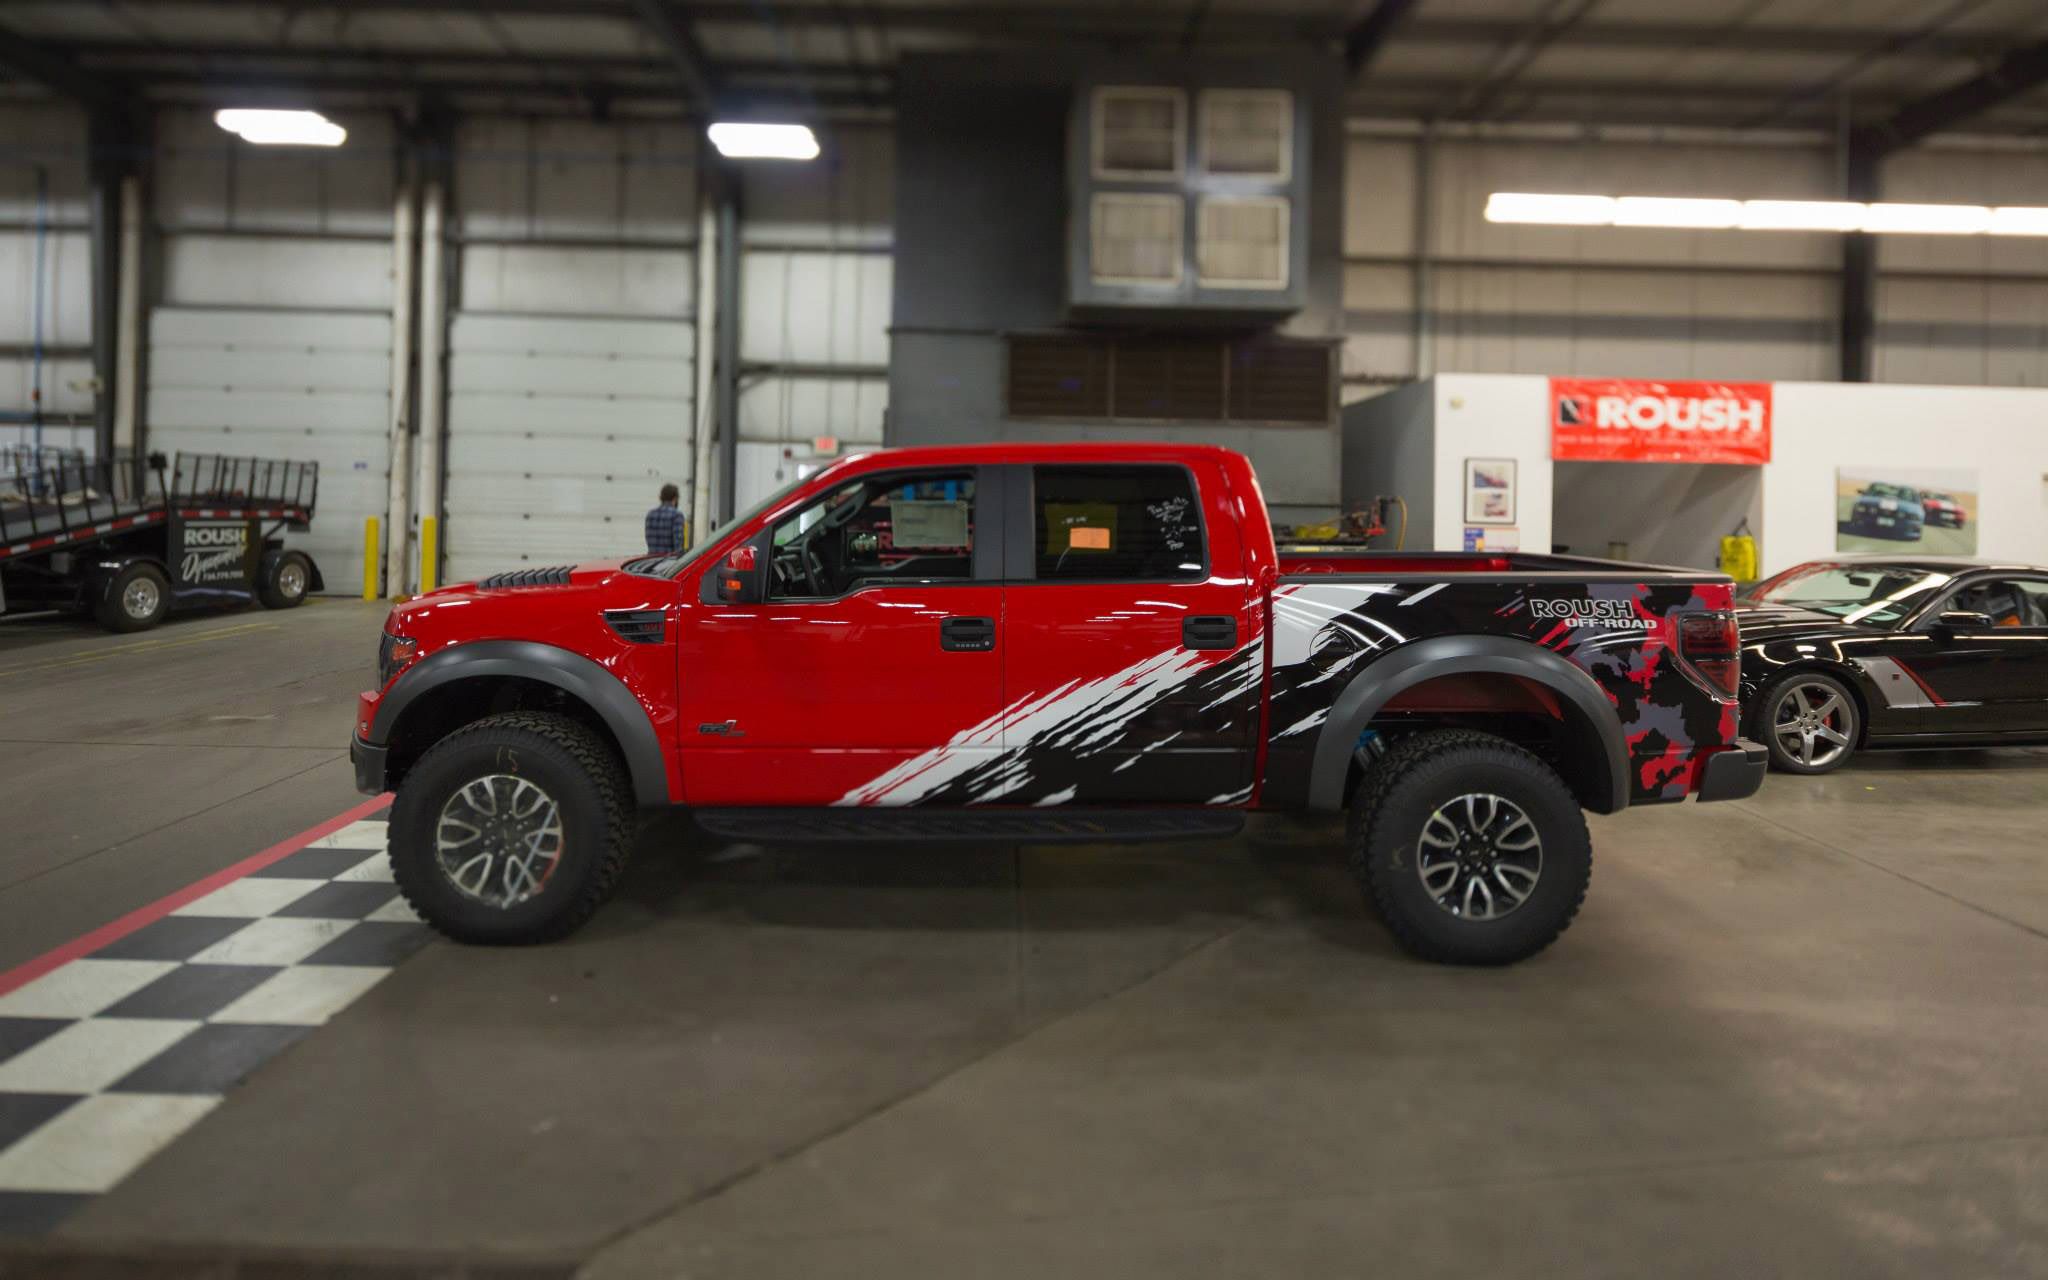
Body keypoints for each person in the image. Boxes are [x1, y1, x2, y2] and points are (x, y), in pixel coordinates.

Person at [644, 483, 686, 555]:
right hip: (668, 562)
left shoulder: (650, 514)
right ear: (675, 498)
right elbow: (678, 543)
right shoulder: (677, 515)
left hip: (651, 561)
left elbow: (649, 540)